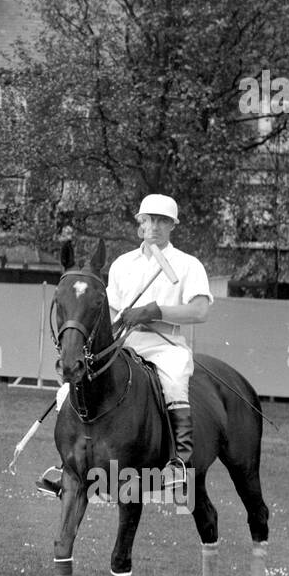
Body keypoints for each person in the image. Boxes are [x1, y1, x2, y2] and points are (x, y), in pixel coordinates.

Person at [37, 193, 212, 496]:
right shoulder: (121, 264)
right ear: (140, 224)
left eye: (162, 221)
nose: (155, 226)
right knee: (70, 387)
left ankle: (178, 462)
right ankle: (68, 464)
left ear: (172, 226)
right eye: (149, 220)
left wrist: (154, 311)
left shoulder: (187, 264)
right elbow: (111, 312)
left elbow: (199, 311)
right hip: (124, 343)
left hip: (165, 343)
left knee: (173, 383)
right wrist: (119, 322)